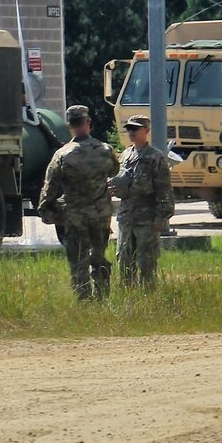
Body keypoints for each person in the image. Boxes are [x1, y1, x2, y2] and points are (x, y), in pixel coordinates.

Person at [40, 105, 120, 301]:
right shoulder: (105, 150)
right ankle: (102, 297)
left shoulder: (62, 155)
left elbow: (50, 188)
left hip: (75, 216)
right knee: (99, 256)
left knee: (78, 261)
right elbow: (114, 171)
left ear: (69, 126)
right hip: (101, 216)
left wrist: (46, 210)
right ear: (88, 123)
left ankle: (84, 300)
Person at [109, 114, 175, 289]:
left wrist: (161, 217)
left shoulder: (155, 157)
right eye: (129, 129)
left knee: (146, 261)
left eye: (135, 129)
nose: (131, 132)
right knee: (123, 259)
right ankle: (127, 294)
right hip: (126, 217)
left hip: (146, 218)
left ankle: (148, 296)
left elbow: (164, 190)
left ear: (146, 131)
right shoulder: (125, 155)